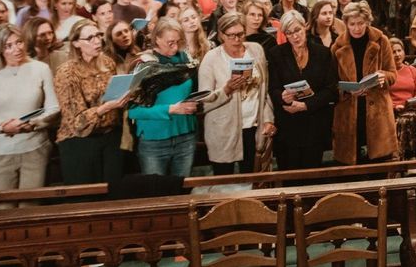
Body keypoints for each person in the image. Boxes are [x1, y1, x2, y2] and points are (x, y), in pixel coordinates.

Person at [0, 25, 59, 207]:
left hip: (35, 150)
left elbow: (54, 108)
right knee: (2, 212)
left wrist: (34, 123)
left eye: (19, 42)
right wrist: (1, 127)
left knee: (31, 210)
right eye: (8, 45)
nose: (16, 49)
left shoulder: (40, 68)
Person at [199, 12, 276, 176]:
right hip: (223, 129)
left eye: (241, 34)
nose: (237, 39)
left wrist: (268, 118)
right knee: (223, 181)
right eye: (231, 35)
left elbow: (264, 90)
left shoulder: (256, 50)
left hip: (253, 126)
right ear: (221, 35)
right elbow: (203, 102)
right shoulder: (211, 58)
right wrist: (227, 89)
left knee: (251, 178)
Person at [54, 20, 129, 184]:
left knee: (113, 191)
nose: (97, 41)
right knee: (86, 198)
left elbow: (112, 95)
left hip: (110, 136)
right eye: (90, 38)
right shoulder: (67, 73)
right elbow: (76, 122)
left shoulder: (107, 63)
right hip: (79, 142)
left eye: (98, 35)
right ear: (76, 43)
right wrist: (105, 108)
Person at [267, 10, 339, 170]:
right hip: (287, 126)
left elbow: (331, 89)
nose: (295, 36)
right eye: (289, 33)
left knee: (311, 176)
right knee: (288, 177)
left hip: (314, 124)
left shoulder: (322, 53)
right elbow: (272, 88)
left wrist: (306, 105)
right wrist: (281, 96)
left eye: (297, 30)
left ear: (304, 27)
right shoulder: (276, 54)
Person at [127, 18, 199, 177]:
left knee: (182, 192)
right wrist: (171, 109)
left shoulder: (186, 60)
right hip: (154, 140)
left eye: (178, 41)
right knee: (156, 194)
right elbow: (132, 111)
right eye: (170, 42)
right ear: (157, 39)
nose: (174, 47)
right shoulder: (143, 65)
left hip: (185, 136)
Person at [330, 1, 397, 165]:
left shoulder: (382, 41)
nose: (357, 28)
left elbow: (393, 74)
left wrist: (383, 77)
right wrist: (346, 90)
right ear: (345, 23)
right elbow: (331, 82)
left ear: (368, 22)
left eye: (361, 23)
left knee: (380, 162)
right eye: (352, 24)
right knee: (352, 163)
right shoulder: (337, 46)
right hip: (349, 108)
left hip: (377, 108)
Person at [388, 37, 416, 162]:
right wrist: (395, 106)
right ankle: (409, 157)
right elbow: (384, 96)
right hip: (395, 110)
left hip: (412, 107)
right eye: (393, 52)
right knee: (405, 120)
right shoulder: (387, 74)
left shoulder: (412, 70)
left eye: (399, 51)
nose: (397, 55)